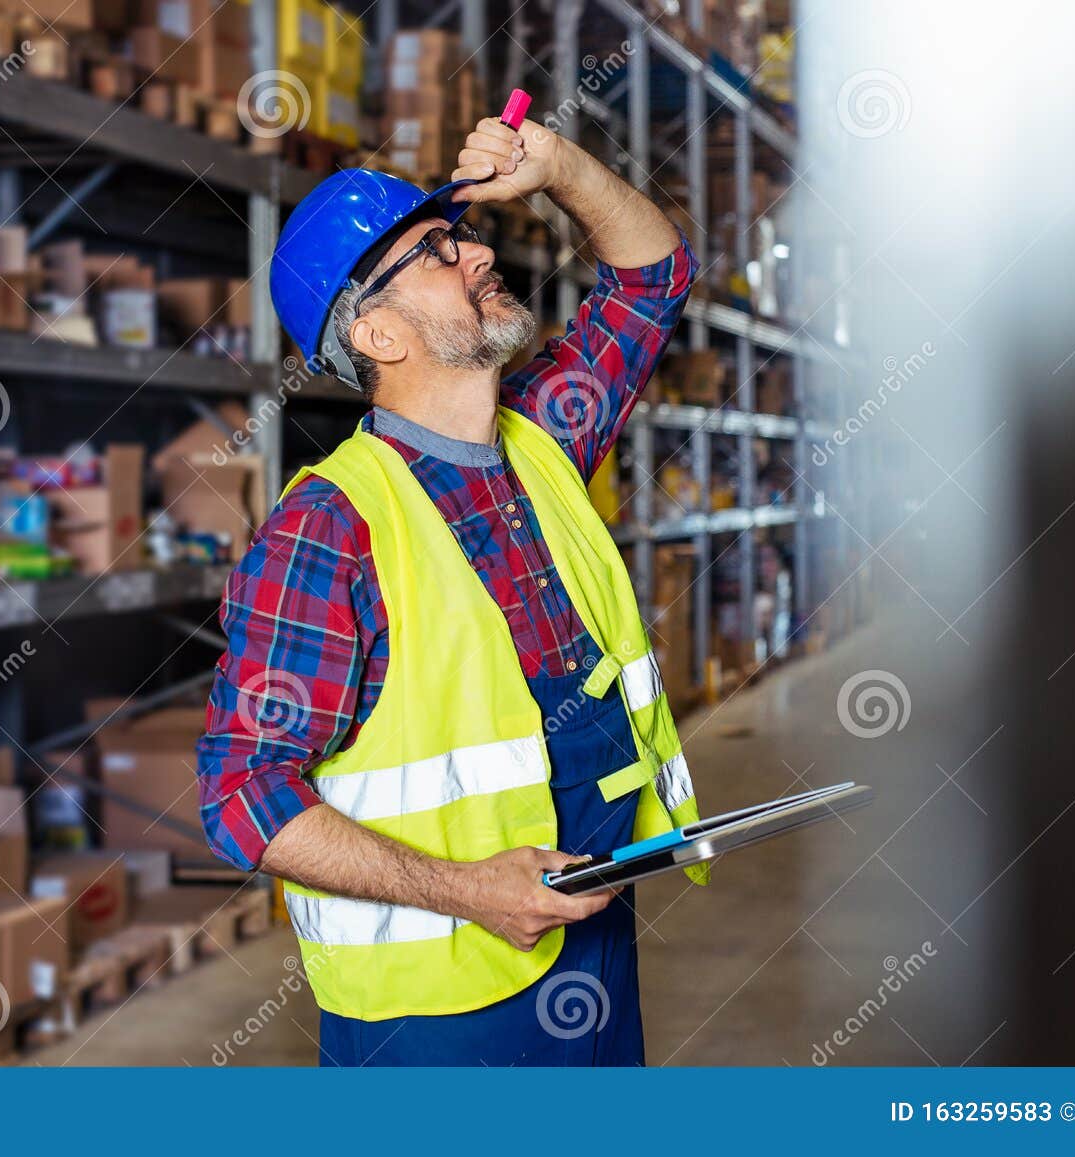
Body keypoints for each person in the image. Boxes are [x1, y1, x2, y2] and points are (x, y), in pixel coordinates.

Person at [197, 114, 707, 1066]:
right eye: (436, 250)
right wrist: (472, 890)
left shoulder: (543, 442)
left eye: (461, 232)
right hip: (436, 1013)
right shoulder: (331, 527)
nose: (475, 249)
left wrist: (553, 166)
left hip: (593, 931)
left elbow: (653, 276)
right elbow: (242, 794)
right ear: (376, 331)